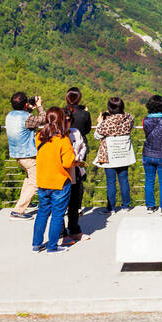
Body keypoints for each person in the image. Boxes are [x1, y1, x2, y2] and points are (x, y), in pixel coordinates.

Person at [32, 107, 75, 253]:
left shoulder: (39, 137)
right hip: (60, 181)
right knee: (57, 215)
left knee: (42, 212)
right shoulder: (63, 140)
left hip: (43, 181)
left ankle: (36, 244)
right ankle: (52, 246)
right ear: (62, 120)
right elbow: (68, 163)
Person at [5, 92, 47, 218]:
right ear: (25, 104)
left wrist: (28, 108)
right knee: (35, 182)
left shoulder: (10, 115)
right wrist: (39, 106)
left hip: (17, 154)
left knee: (29, 179)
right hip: (28, 155)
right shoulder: (27, 118)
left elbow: (23, 118)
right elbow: (43, 119)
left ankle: (22, 204)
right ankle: (18, 210)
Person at [94, 97, 135, 213]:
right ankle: (126, 206)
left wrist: (99, 122)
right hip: (124, 153)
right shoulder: (129, 118)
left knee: (110, 182)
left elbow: (97, 135)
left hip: (110, 155)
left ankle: (111, 208)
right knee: (124, 180)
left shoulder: (107, 123)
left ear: (109, 108)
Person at [62, 102, 89, 240]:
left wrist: (78, 157)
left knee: (74, 203)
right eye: (64, 120)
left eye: (69, 120)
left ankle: (74, 229)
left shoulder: (75, 132)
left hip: (76, 171)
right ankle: (61, 232)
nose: (67, 123)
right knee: (60, 205)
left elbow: (83, 146)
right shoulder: (53, 136)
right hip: (61, 174)